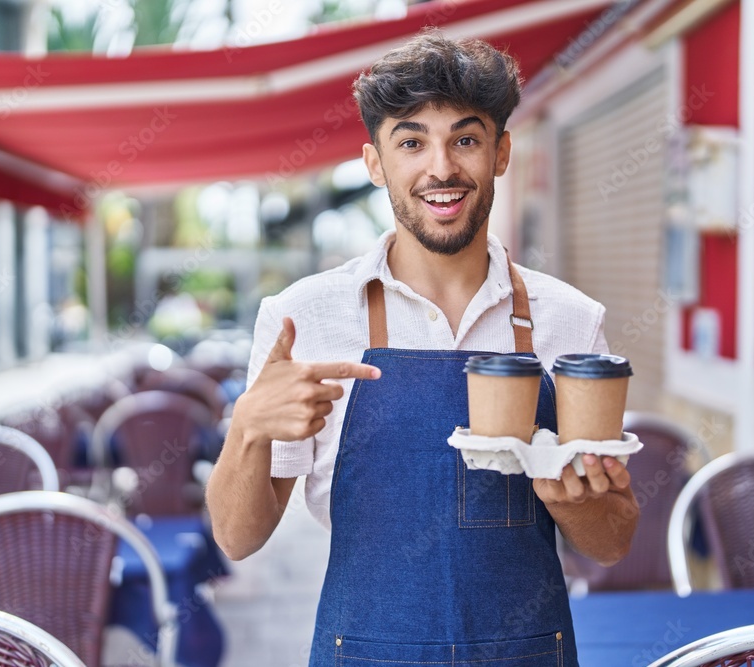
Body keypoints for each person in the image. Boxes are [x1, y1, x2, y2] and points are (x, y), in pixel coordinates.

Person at [207, 30, 639, 666]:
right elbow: (238, 539)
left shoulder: (569, 322)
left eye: (465, 139)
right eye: (411, 142)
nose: (441, 168)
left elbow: (612, 543)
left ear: (501, 152)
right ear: (376, 163)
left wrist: (575, 499)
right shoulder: (303, 318)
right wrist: (248, 427)